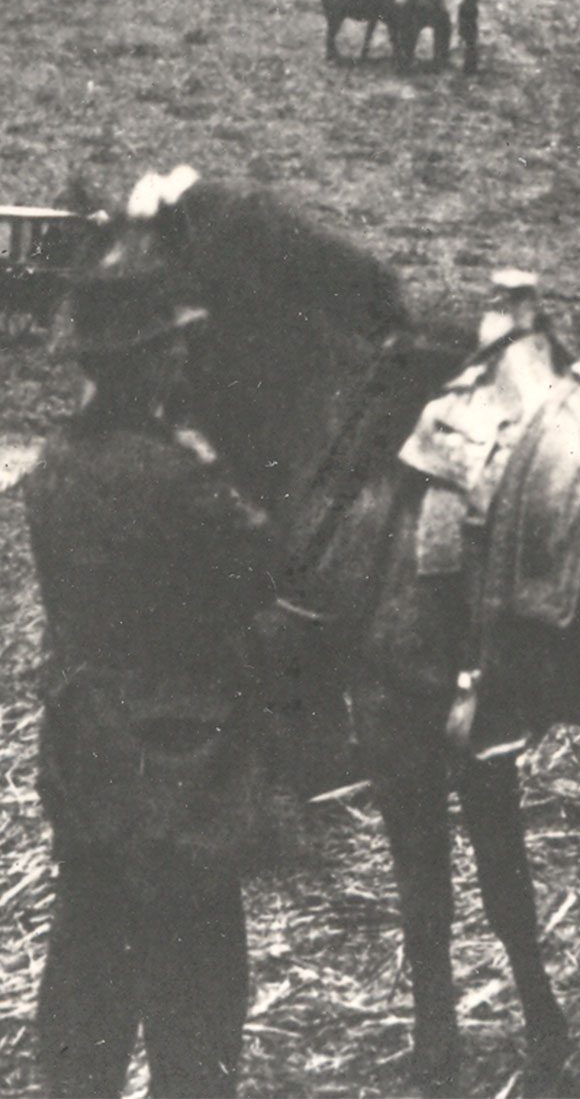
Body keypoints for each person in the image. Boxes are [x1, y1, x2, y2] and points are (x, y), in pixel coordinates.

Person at [24, 275, 278, 1099]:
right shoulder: (181, 478)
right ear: (145, 362)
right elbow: (258, 572)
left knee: (86, 979)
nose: (181, 358)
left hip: (87, 759)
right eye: (169, 346)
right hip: (183, 770)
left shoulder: (53, 465)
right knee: (196, 1000)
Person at [458, 0, 481, 73]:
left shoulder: (467, 4)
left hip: (470, 28)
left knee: (471, 48)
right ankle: (469, 68)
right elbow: (463, 19)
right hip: (469, 29)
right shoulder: (467, 5)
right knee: (471, 48)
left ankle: (470, 67)